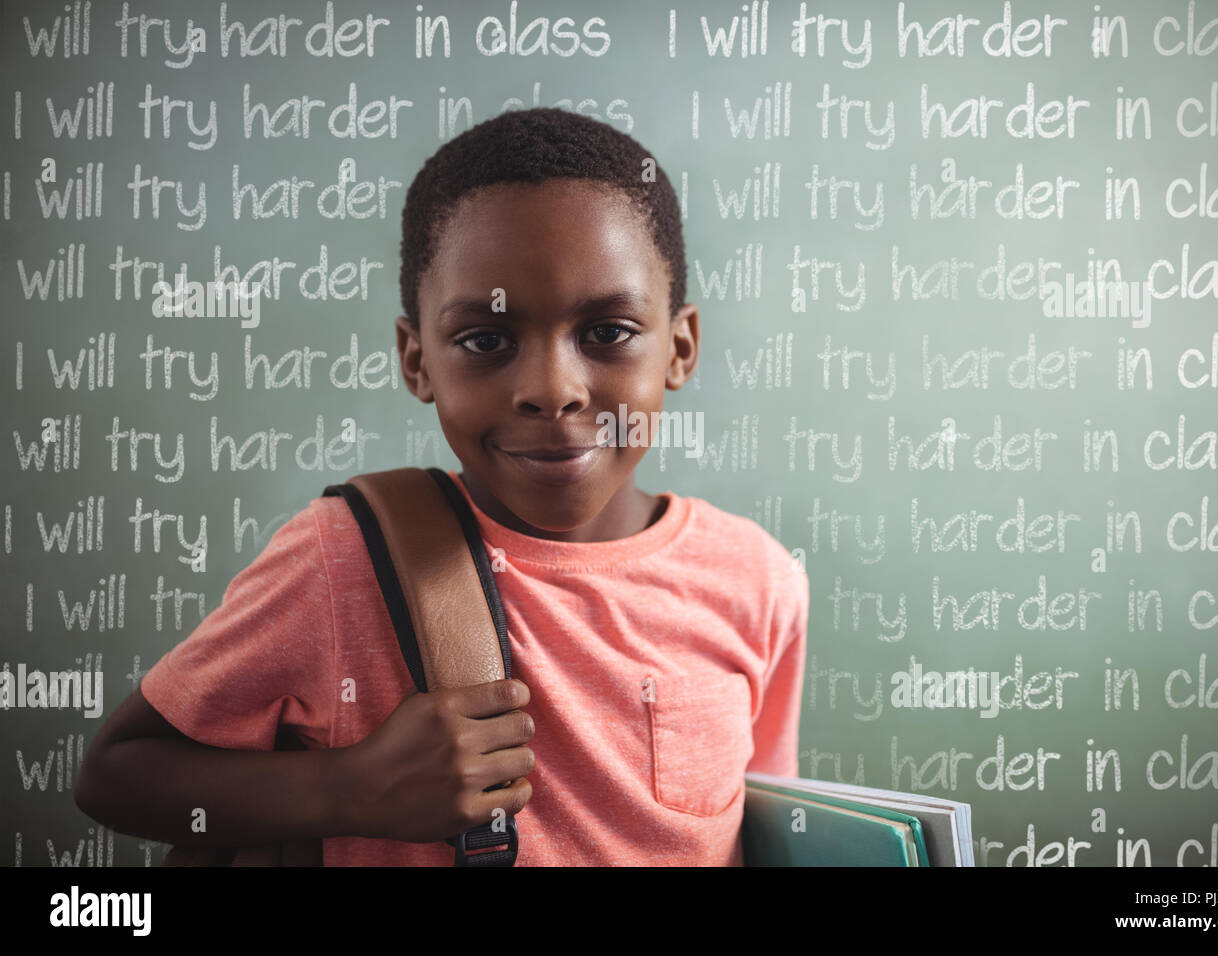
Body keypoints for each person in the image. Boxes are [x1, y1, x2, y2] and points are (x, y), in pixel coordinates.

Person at [75, 107, 809, 866]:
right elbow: (114, 777)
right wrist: (349, 789)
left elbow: (773, 830)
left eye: (608, 332)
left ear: (680, 347)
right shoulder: (340, 559)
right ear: (418, 360)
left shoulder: (758, 579)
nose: (551, 389)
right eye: (487, 340)